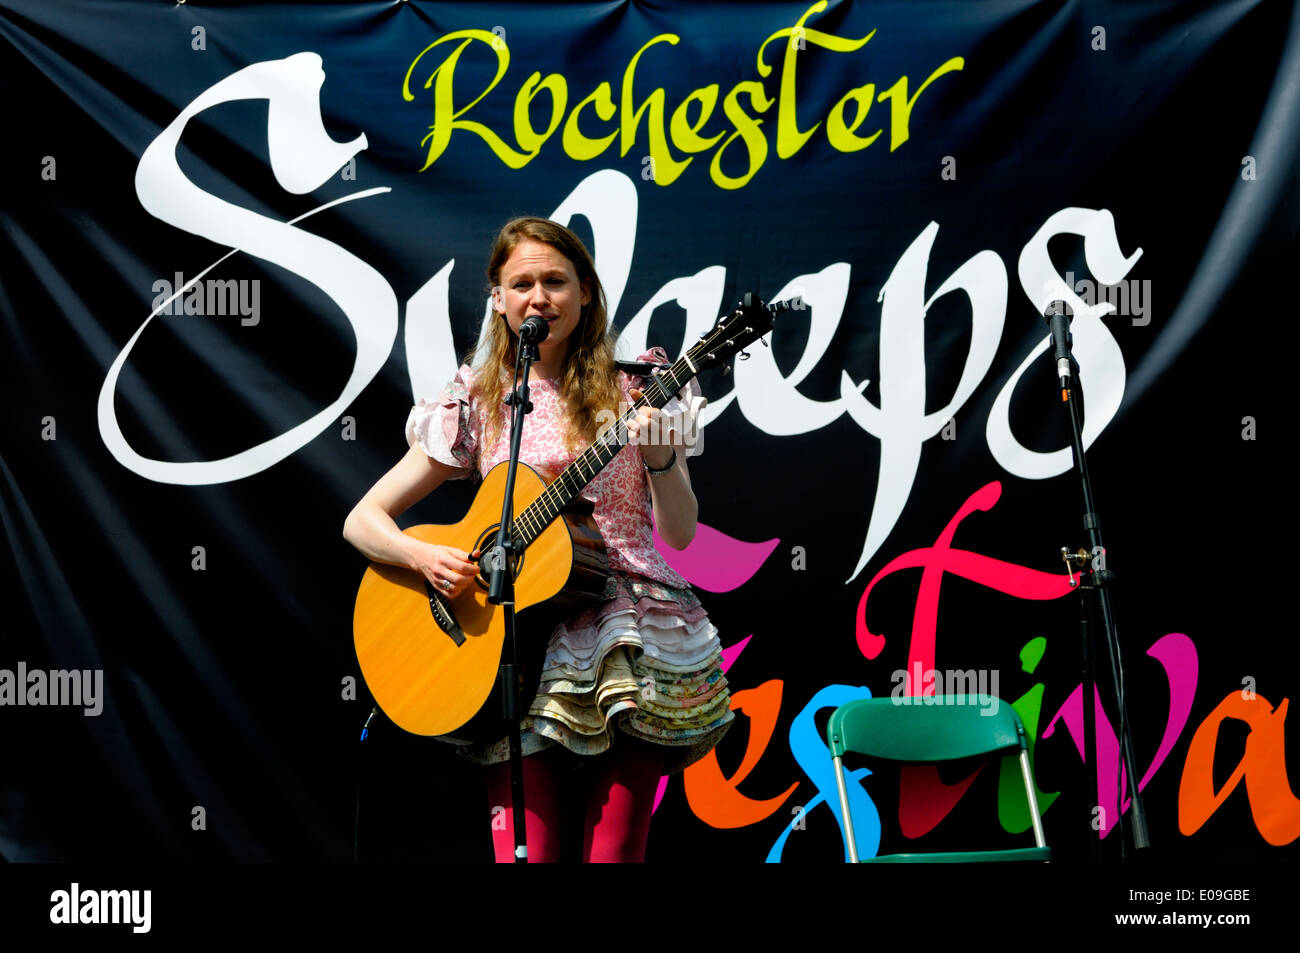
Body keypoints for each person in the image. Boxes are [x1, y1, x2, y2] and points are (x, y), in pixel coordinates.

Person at [343, 217, 732, 862]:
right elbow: (363, 520)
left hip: (626, 627)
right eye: (521, 283)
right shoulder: (480, 399)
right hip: (511, 640)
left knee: (616, 850)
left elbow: (681, 533)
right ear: (498, 298)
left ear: (586, 292)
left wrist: (662, 463)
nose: (538, 297)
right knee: (528, 855)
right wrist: (425, 556)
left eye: (555, 281)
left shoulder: (638, 385)